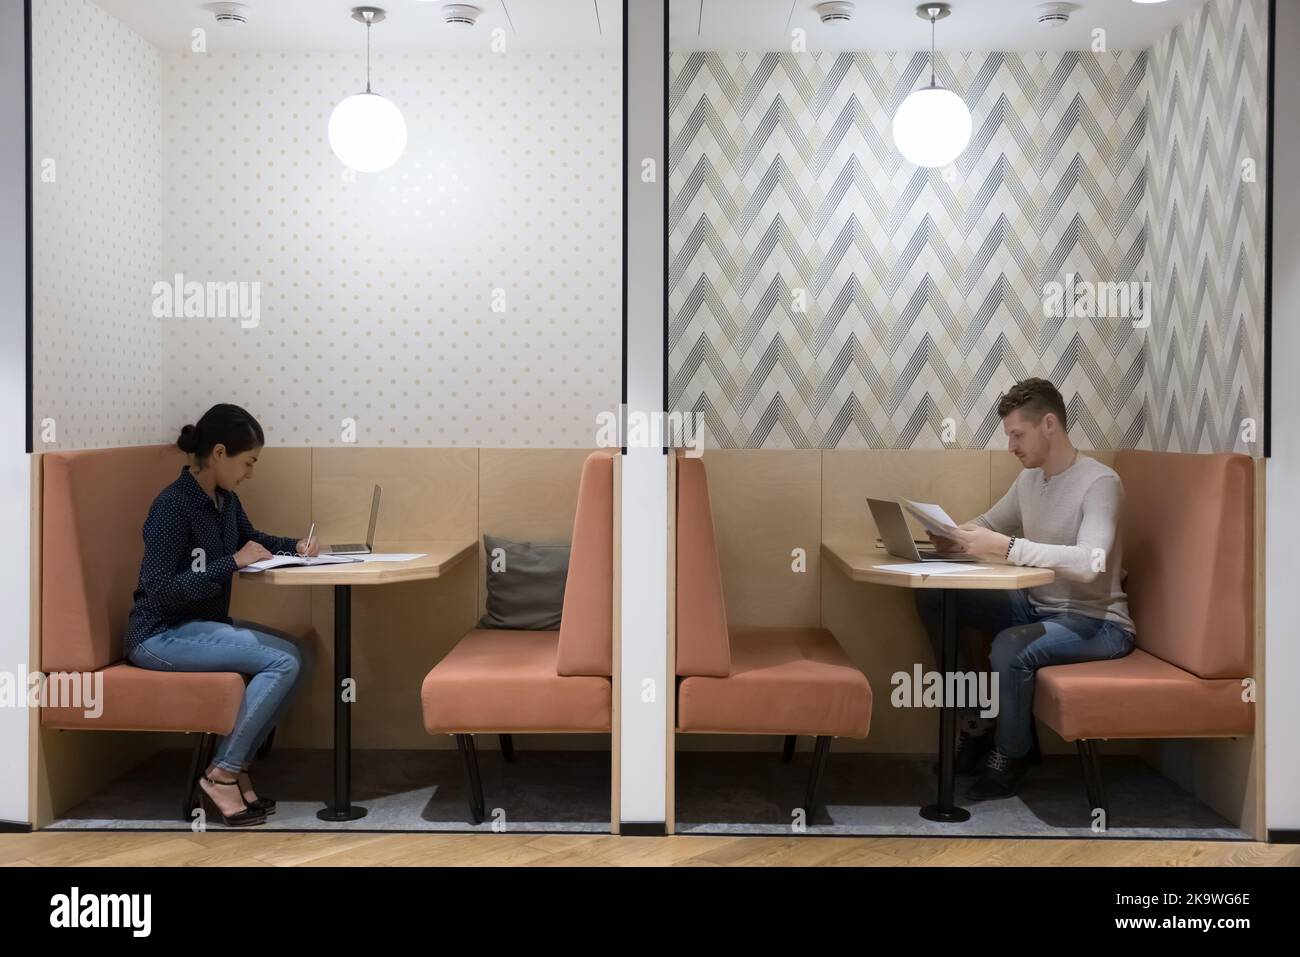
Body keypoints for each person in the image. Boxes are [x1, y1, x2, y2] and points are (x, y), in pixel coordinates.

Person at [914, 378, 1136, 800]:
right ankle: (976, 721)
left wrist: (1009, 548)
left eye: (1018, 434)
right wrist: (955, 536)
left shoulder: (1100, 483)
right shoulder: (1031, 480)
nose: (1012, 446)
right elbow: (992, 524)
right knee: (935, 596)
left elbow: (1091, 563)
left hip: (1096, 622)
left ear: (1049, 424)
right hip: (1036, 607)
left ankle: (1012, 753)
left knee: (1011, 647)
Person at [124, 403, 318, 826]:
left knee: (302, 653)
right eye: (247, 462)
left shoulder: (224, 499)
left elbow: (253, 540)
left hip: (201, 627)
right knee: (282, 661)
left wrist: (294, 546)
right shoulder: (172, 506)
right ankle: (223, 773)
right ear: (217, 453)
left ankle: (237, 762)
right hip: (159, 635)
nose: (250, 473)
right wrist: (229, 563)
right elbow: (158, 590)